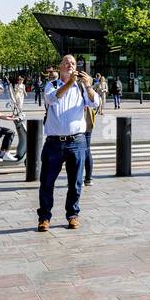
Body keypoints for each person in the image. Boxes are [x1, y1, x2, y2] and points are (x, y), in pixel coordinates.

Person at [38, 54, 100, 231]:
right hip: (54, 142)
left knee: (75, 182)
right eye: (66, 63)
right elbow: (52, 98)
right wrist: (69, 83)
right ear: (60, 67)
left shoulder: (81, 87)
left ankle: (72, 214)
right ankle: (44, 217)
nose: (70, 65)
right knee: (47, 182)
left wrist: (88, 86)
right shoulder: (52, 85)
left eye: (73, 63)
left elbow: (95, 103)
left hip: (76, 141)